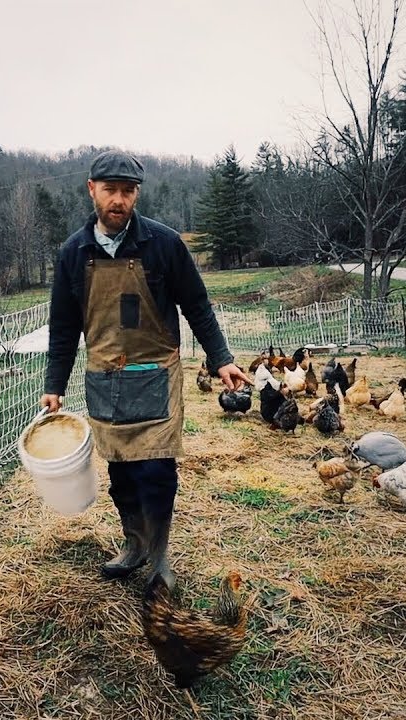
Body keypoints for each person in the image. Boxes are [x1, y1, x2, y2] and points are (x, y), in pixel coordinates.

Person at [41, 149, 250, 588]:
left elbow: (196, 304)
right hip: (105, 375)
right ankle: (133, 544)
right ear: (92, 190)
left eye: (128, 192)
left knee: (156, 469)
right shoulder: (72, 253)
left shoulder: (163, 244)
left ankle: (158, 557)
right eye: (110, 190)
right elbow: (62, 326)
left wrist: (222, 358)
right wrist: (53, 385)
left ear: (137, 194)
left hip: (156, 371)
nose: (119, 200)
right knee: (121, 469)